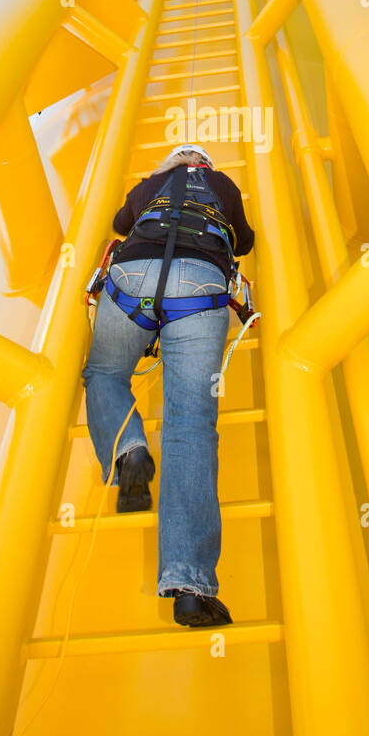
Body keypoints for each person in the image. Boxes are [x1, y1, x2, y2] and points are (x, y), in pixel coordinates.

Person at [82, 144, 254, 627]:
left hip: (131, 277)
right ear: (207, 166)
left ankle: (128, 450)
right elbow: (244, 241)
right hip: (202, 287)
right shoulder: (223, 187)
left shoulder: (146, 185)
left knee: (105, 374)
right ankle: (190, 586)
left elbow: (121, 223)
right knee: (191, 424)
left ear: (171, 164)